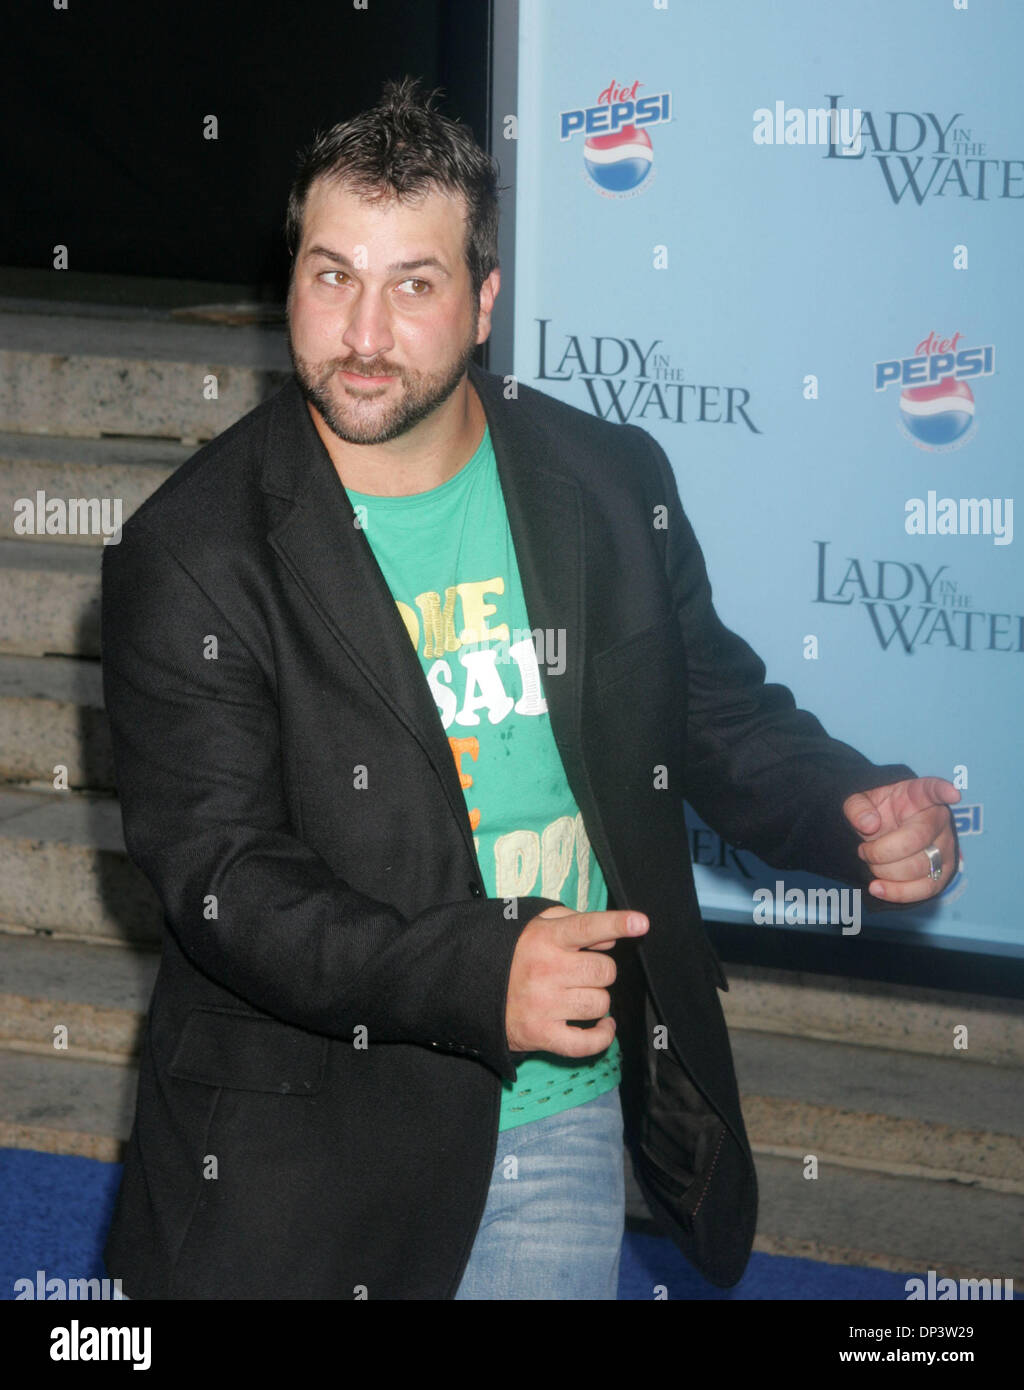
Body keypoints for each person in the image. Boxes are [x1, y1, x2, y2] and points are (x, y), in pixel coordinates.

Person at [100, 77, 958, 1300]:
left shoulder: (603, 481)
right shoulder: (190, 553)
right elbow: (226, 879)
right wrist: (477, 972)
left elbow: (709, 713)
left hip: (556, 1114)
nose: (361, 333)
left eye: (414, 284)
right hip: (308, 1146)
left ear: (485, 302)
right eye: (332, 274)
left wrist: (848, 805)